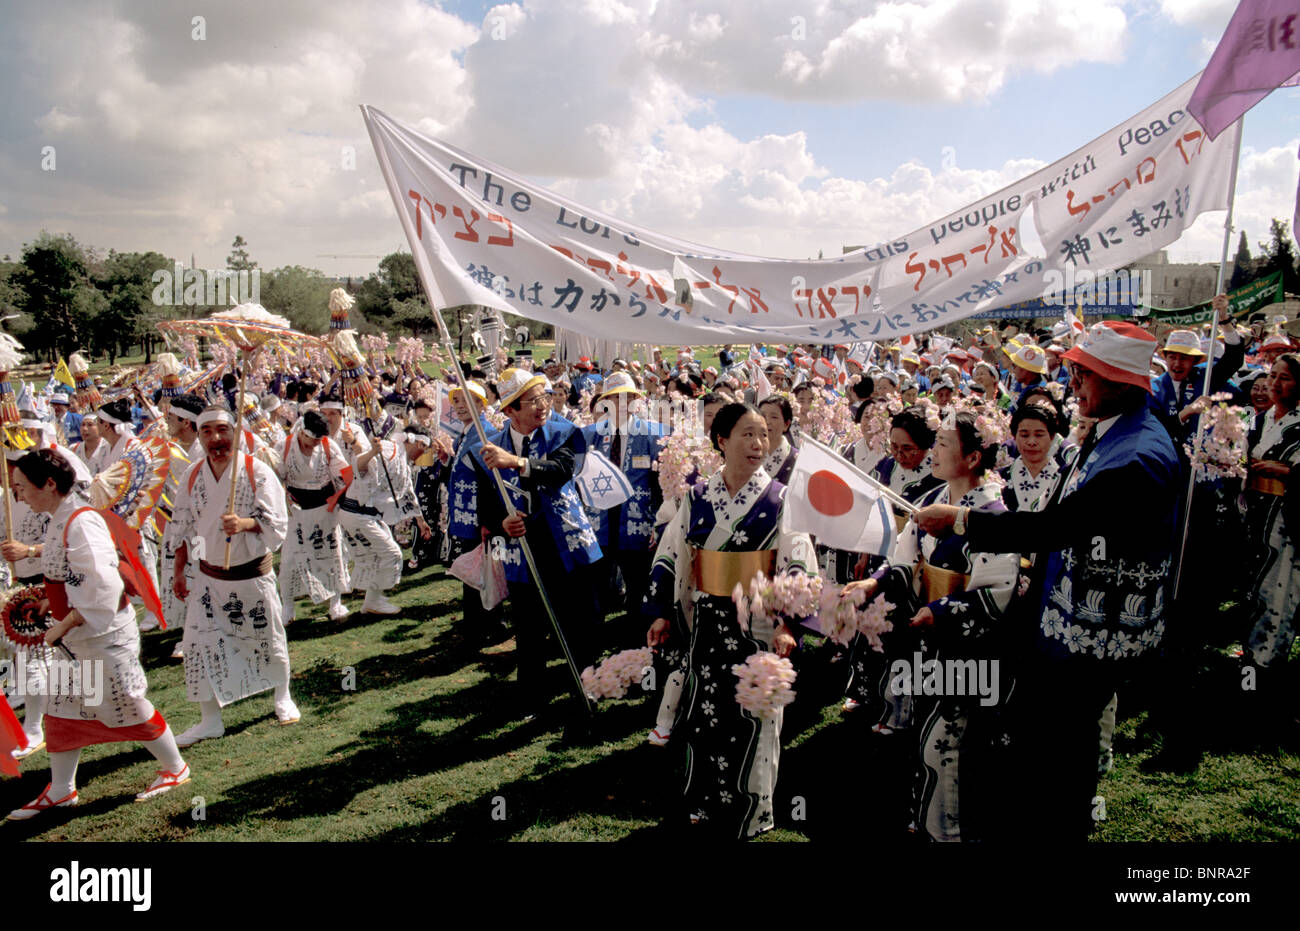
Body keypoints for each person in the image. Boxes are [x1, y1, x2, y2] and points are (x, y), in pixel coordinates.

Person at [914, 321, 1179, 840]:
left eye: (1085, 373)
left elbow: (1059, 526)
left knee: (1065, 760)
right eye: (1074, 370)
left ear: (1122, 382)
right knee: (1049, 750)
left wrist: (963, 521)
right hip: (1063, 622)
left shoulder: (1137, 458)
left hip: (1090, 643)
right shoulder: (1112, 429)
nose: (1073, 382)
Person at [844, 408, 1019, 841]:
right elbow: (905, 561)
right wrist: (871, 582)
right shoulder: (932, 501)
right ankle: (927, 818)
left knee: (952, 738)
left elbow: (996, 591)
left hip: (968, 648)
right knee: (927, 735)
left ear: (974, 458)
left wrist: (938, 612)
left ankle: (954, 829)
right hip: (928, 640)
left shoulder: (993, 514)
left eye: (943, 443)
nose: (934, 451)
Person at [644, 402, 816, 838]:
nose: (759, 444)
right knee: (706, 711)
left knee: (757, 714)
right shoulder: (697, 498)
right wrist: (663, 613)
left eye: (763, 434)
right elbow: (672, 555)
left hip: (757, 623)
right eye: (747, 434)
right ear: (721, 441)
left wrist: (788, 623)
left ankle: (754, 809)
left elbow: (798, 561)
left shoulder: (780, 501)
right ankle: (703, 799)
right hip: (706, 621)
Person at [6, 449, 190, 819]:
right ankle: (61, 789)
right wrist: (48, 604)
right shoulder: (60, 517)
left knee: (127, 704)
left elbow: (102, 588)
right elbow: (69, 575)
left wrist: (64, 622)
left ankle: (175, 768)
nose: (18, 496)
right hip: (77, 636)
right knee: (62, 710)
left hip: (101, 634)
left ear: (50, 484)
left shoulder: (81, 520)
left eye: (22, 487)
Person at [474, 368, 603, 720]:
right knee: (529, 628)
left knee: (580, 623)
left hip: (567, 544)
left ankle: (586, 690)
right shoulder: (487, 450)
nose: (543, 406)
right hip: (524, 550)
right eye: (533, 402)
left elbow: (561, 470)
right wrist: (502, 522)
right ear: (510, 410)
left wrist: (516, 463)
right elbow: (485, 505)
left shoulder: (566, 433)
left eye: (545, 398)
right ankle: (532, 699)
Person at [168, 406, 297, 747]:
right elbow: (183, 527)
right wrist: (180, 570)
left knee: (268, 639)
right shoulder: (192, 476)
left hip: (251, 574)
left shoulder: (257, 472)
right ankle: (209, 720)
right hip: (208, 577)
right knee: (197, 646)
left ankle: (282, 697)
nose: (216, 439)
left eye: (222, 430)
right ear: (198, 435)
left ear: (235, 433)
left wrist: (245, 523)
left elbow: (277, 523)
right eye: (207, 431)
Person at [1241, 353, 1300, 708]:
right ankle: (1250, 653)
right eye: (1273, 376)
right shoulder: (1262, 420)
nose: (1276, 385)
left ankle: (1264, 666)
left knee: (1279, 590)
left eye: (1286, 378)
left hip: (1288, 521)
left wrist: (1286, 473)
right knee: (1254, 587)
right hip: (1257, 517)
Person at [277, 409, 352, 622]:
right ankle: (288, 608)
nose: (315, 444)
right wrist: (284, 497)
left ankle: (335, 604)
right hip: (296, 509)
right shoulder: (284, 447)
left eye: (319, 440)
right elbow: (278, 477)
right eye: (312, 439)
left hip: (325, 506)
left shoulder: (328, 447)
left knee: (332, 555)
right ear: (302, 432)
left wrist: (342, 492)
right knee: (290, 559)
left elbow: (345, 474)